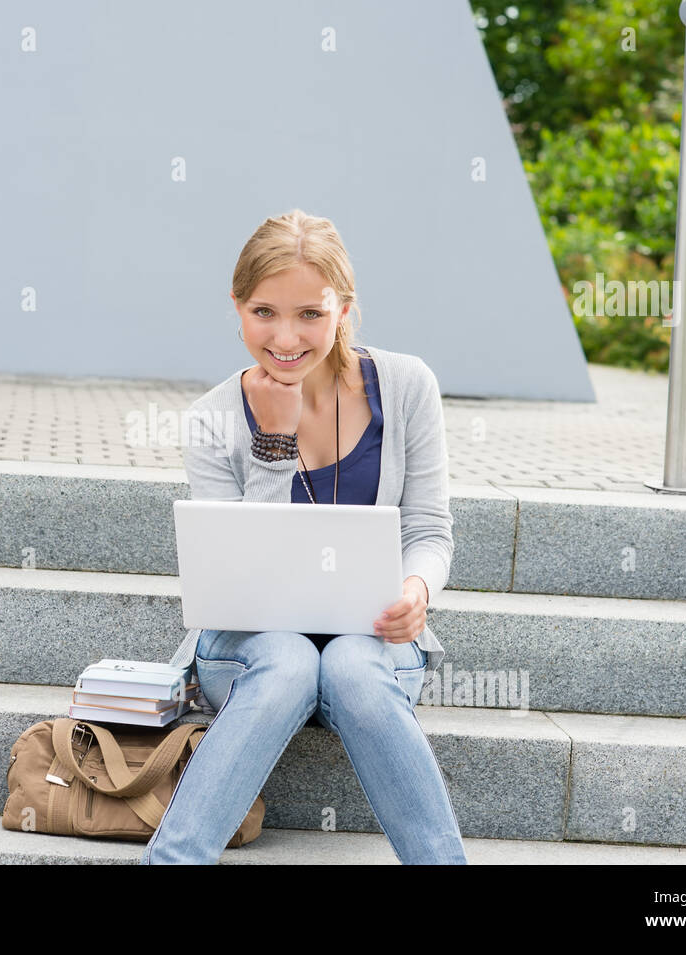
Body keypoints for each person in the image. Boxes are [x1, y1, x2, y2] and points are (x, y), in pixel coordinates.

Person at [139, 209, 467, 864]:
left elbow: (429, 530)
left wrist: (415, 586)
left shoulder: (406, 388)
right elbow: (242, 576)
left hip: (375, 642)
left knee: (348, 662)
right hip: (246, 647)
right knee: (289, 658)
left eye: (310, 314)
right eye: (264, 312)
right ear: (236, 308)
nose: (285, 337)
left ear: (344, 309)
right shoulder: (211, 419)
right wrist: (272, 441)